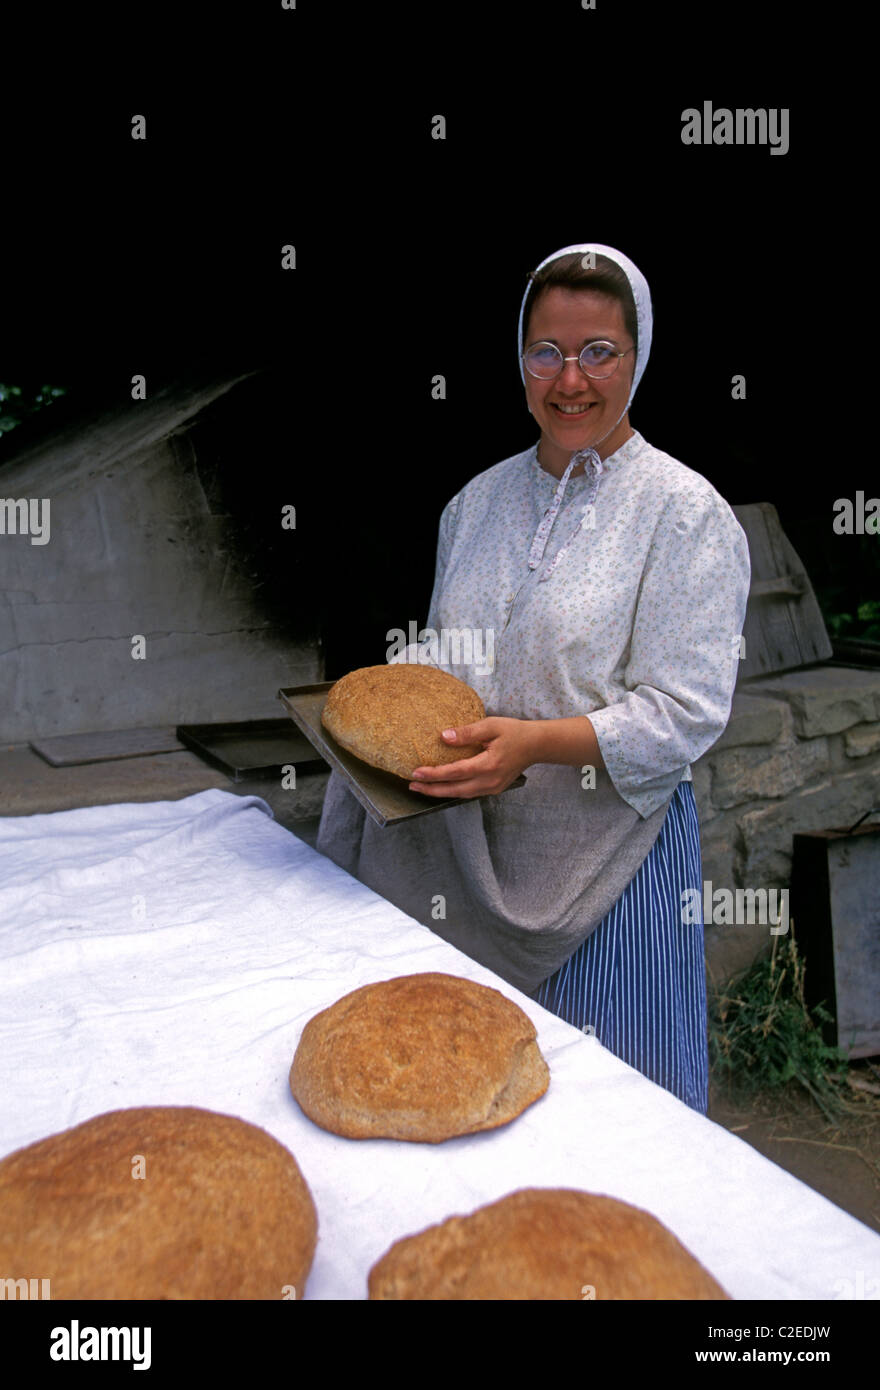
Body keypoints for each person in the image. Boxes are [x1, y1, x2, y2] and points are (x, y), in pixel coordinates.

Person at [316, 242, 751, 1114]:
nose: (570, 380)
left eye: (600, 352)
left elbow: (685, 713)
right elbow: (449, 660)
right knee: (470, 1088)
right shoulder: (474, 504)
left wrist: (534, 747)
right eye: (546, 351)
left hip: (604, 866)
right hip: (465, 845)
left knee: (612, 1108)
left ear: (639, 356)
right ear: (521, 358)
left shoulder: (684, 513)